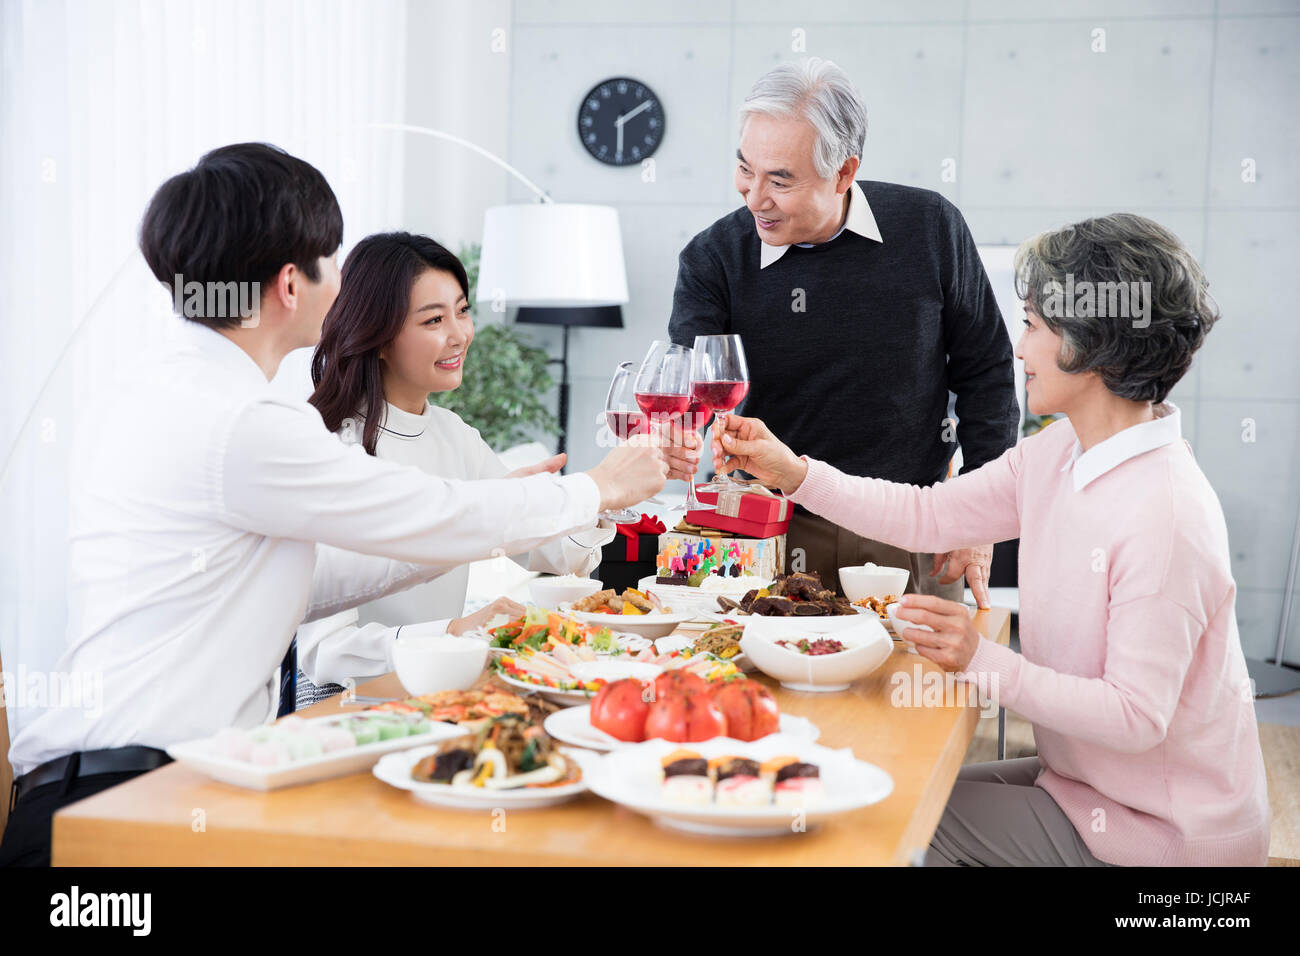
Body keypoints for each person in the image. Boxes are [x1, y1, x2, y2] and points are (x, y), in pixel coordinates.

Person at [0, 143, 666, 866]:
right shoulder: (243, 422)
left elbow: (301, 578)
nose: (341, 280)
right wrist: (598, 487)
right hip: (125, 810)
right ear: (292, 282)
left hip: (117, 790)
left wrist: (494, 512)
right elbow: (423, 512)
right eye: (332, 258)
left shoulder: (150, 392)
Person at [709, 212, 1271, 866]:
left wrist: (978, 657)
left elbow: (1134, 717)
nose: (1017, 347)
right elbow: (928, 515)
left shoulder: (1165, 513)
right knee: (884, 780)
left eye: (1032, 325)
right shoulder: (1061, 450)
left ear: (1093, 343)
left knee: (885, 820)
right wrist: (795, 473)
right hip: (1087, 790)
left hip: (1163, 840)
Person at [665, 57, 1018, 605]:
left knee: (920, 689)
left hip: (909, 531)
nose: (754, 197)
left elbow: (987, 373)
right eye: (745, 169)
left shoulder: (929, 228)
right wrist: (677, 433)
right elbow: (690, 393)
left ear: (844, 173)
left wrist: (979, 517)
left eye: (780, 180)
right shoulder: (713, 257)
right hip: (763, 537)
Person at [291, 232, 615, 706]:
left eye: (462, 311)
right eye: (434, 320)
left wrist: (605, 499)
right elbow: (324, 652)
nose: (459, 334)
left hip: (440, 692)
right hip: (348, 704)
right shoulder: (334, 448)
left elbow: (556, 555)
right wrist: (451, 633)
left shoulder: (454, 434)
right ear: (377, 335)